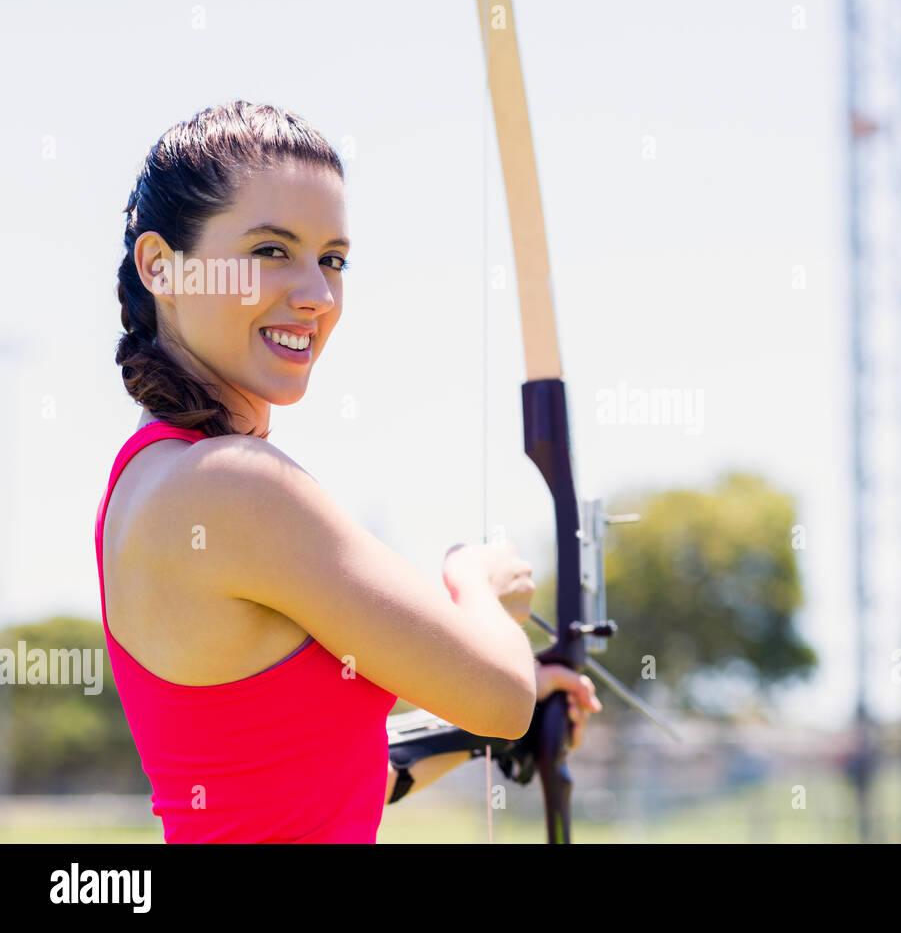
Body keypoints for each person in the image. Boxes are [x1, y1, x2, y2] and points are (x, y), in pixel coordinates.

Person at [95, 100, 599, 842]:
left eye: (332, 259)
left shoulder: (148, 482)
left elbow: (303, 778)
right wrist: (476, 585)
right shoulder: (233, 485)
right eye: (272, 251)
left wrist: (469, 738)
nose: (317, 296)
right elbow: (499, 695)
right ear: (160, 267)